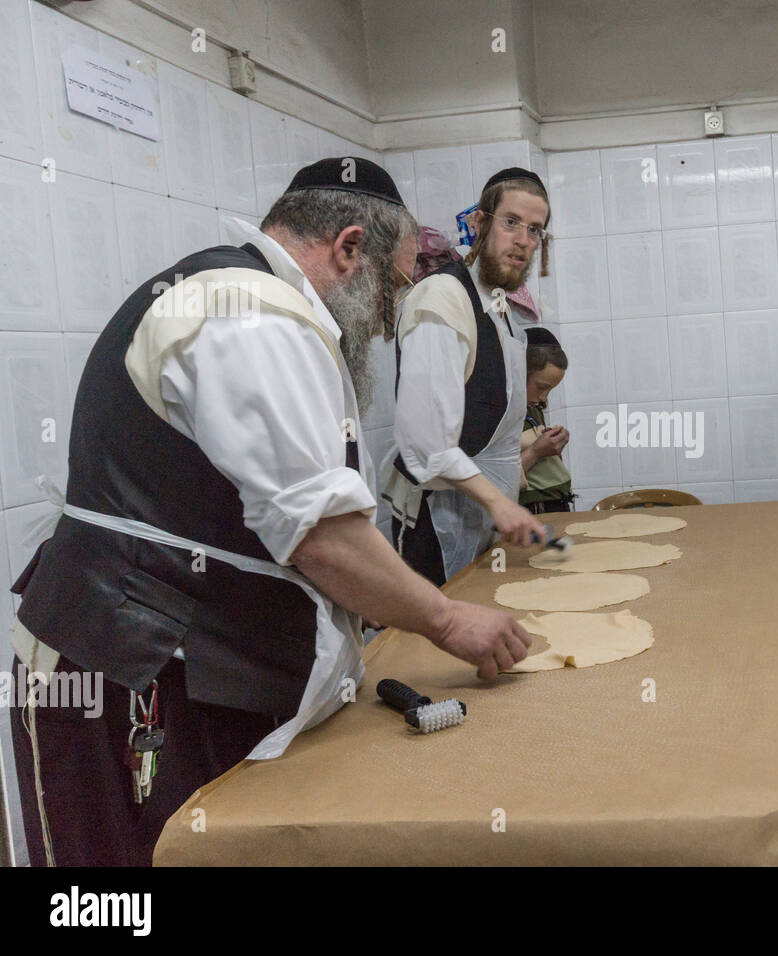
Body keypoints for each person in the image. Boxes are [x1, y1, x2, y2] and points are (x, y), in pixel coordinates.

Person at [8, 157, 532, 867]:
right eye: (392, 292)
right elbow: (321, 534)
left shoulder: (255, 302)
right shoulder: (246, 313)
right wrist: (444, 618)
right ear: (349, 248)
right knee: (126, 877)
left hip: (197, 667)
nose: (385, 324)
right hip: (132, 667)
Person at [383, 168, 550, 584]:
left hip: (483, 517)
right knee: (436, 643)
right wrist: (499, 503)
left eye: (535, 230)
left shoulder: (500, 308)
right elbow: (426, 442)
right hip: (437, 522)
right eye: (510, 222)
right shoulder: (442, 297)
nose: (523, 240)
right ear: (479, 223)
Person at [518, 326, 575, 514]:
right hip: (532, 509)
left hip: (555, 503)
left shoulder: (532, 406)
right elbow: (496, 478)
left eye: (550, 390)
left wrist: (553, 445)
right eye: (541, 387)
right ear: (518, 373)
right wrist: (536, 451)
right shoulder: (499, 415)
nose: (543, 398)